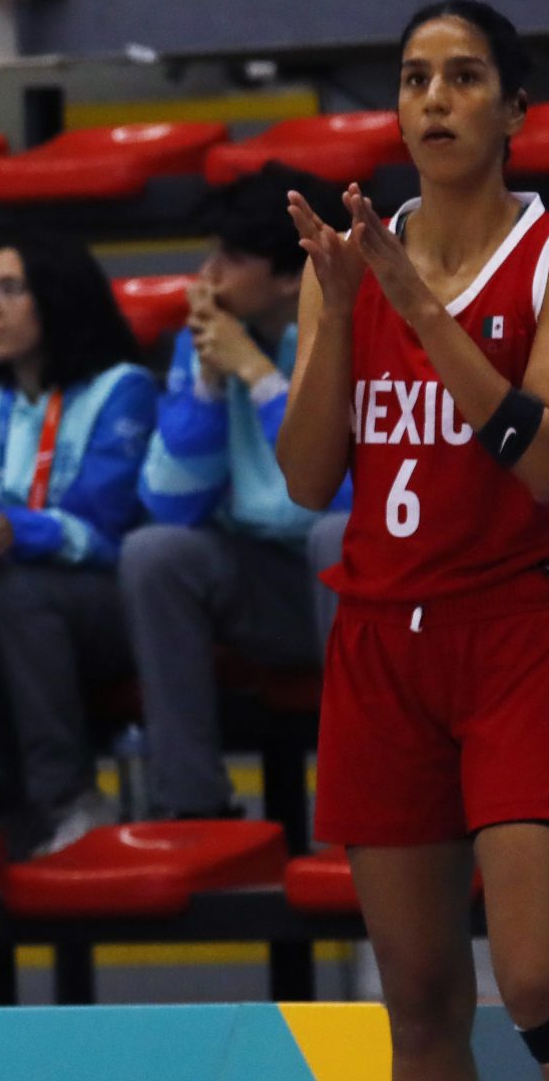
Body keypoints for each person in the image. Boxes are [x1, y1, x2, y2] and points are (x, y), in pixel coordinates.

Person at [276, 0, 549, 1081]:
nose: (435, 98)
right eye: (415, 78)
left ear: (515, 108)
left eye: (465, 77)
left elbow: (545, 461)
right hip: (382, 642)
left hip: (515, 629)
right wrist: (342, 314)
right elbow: (303, 478)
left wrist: (419, 311)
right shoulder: (342, 267)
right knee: (419, 1006)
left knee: (538, 985)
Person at [123, 163, 352, 821]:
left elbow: (343, 495)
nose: (209, 276)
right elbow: (168, 504)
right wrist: (203, 381)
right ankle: (192, 805)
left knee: (334, 539)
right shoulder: (211, 345)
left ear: (288, 275)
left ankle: (364, 796)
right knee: (156, 553)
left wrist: (258, 376)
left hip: (365, 587)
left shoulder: (356, 332)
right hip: (267, 587)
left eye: (232, 257)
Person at [0, 235, 154, 856]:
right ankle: (6, 797)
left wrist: (13, 533)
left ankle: (69, 795)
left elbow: (104, 524)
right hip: (8, 591)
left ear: (57, 298)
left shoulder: (120, 388)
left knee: (16, 589)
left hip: (113, 601)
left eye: (8, 289)